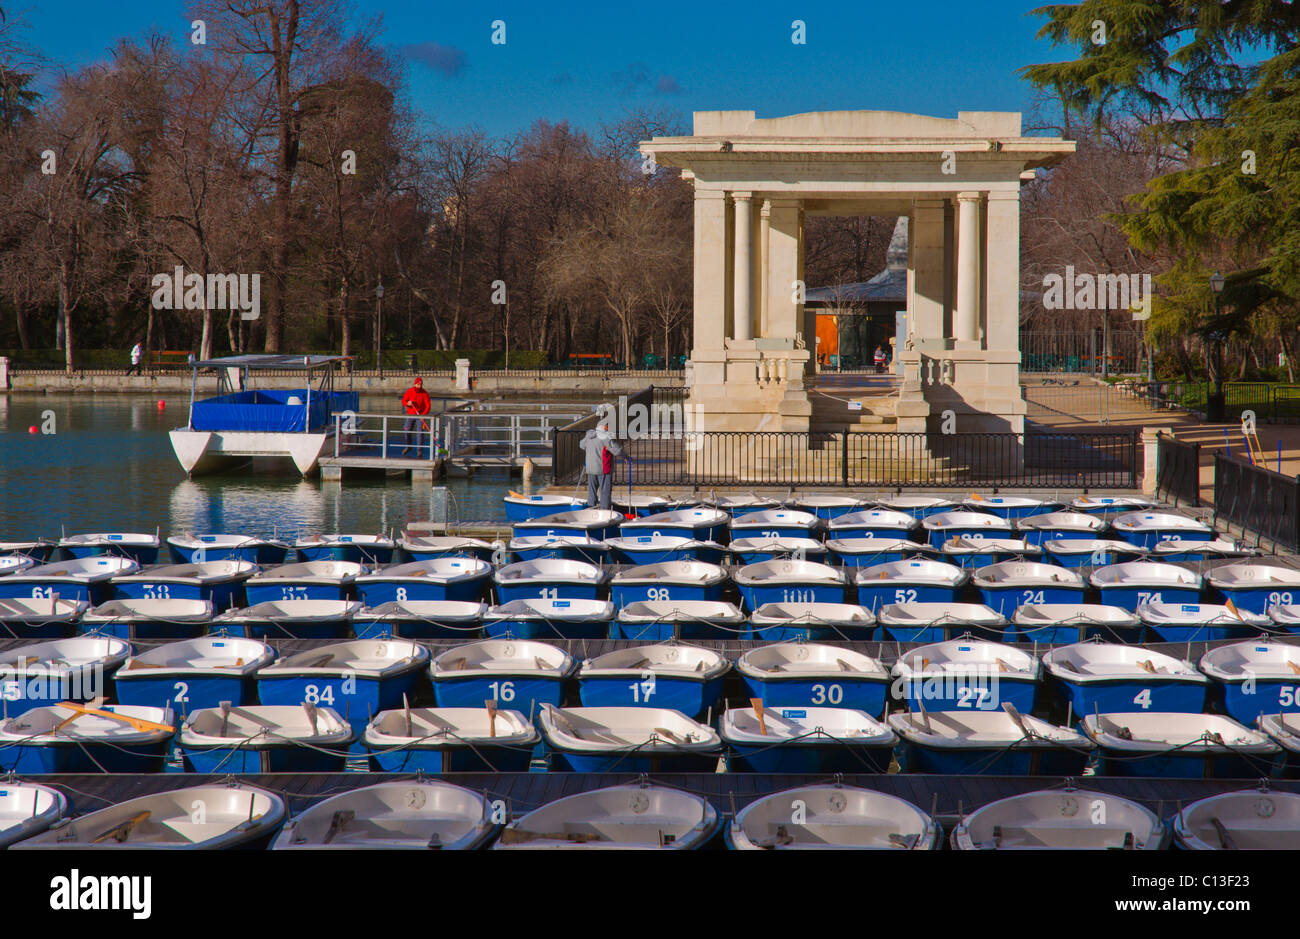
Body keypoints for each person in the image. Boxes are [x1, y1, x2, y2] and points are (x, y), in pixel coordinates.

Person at [579, 418, 631, 509]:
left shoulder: (589, 436)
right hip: (603, 468)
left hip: (590, 469)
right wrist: (626, 456)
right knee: (605, 492)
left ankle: (591, 510)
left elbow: (581, 445)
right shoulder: (605, 437)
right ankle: (604, 511)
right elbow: (616, 450)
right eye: (608, 426)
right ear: (604, 427)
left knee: (592, 491)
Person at [400, 376, 432, 457]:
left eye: (421, 384)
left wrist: (423, 415)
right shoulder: (409, 391)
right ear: (415, 384)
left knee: (419, 433)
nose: (419, 386)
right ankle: (408, 446)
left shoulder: (424, 393)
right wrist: (408, 403)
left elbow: (428, 406)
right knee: (406, 430)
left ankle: (419, 450)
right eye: (418, 384)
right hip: (411, 414)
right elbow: (404, 400)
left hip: (420, 415)